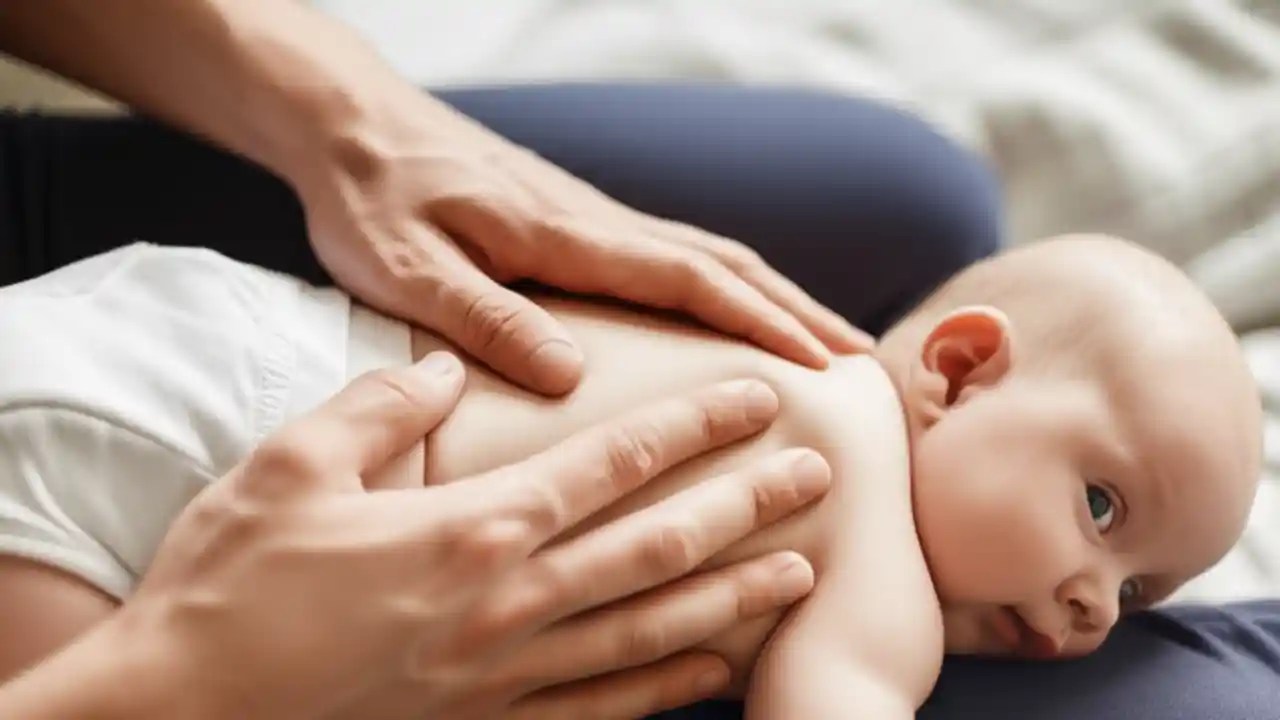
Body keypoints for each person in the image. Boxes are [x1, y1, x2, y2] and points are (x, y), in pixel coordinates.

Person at [0, 233, 1263, 718]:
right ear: (959, 371)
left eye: (1144, 588)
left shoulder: (782, 356)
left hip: (189, 337)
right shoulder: (867, 525)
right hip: (208, 452)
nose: (1097, 606)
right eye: (1099, 509)